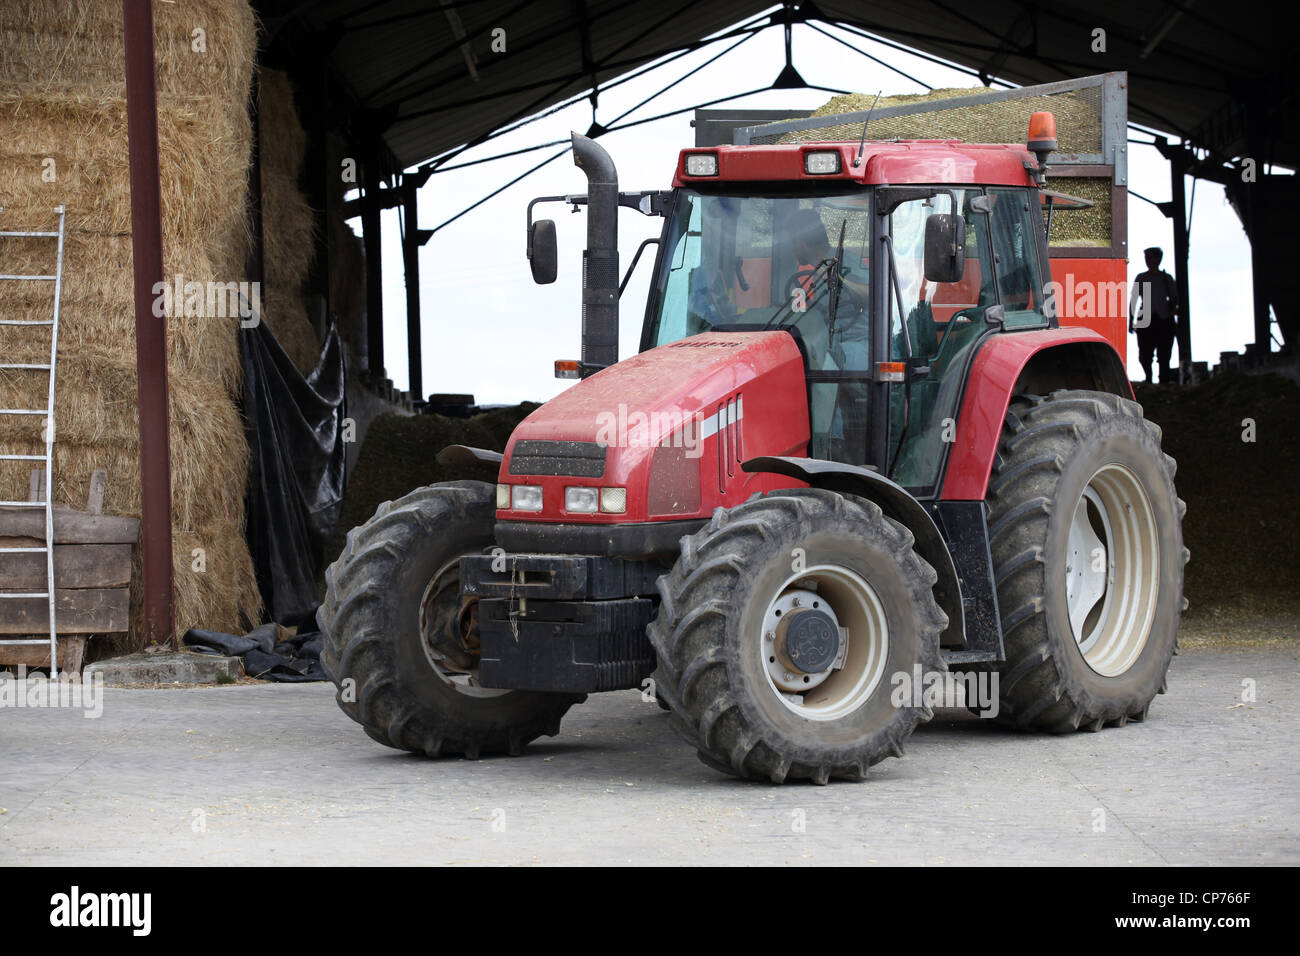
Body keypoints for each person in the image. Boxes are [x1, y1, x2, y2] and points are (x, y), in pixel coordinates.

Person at [1129, 247, 1179, 384]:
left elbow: (1175, 300)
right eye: (1147, 258)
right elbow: (1134, 300)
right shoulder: (1141, 278)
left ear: (1158, 259)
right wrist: (1131, 320)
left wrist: (1172, 311)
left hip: (1163, 319)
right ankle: (1149, 377)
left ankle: (1163, 379)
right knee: (1145, 354)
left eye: (1150, 258)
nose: (1148, 261)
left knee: (1164, 354)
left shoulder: (1166, 279)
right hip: (1146, 319)